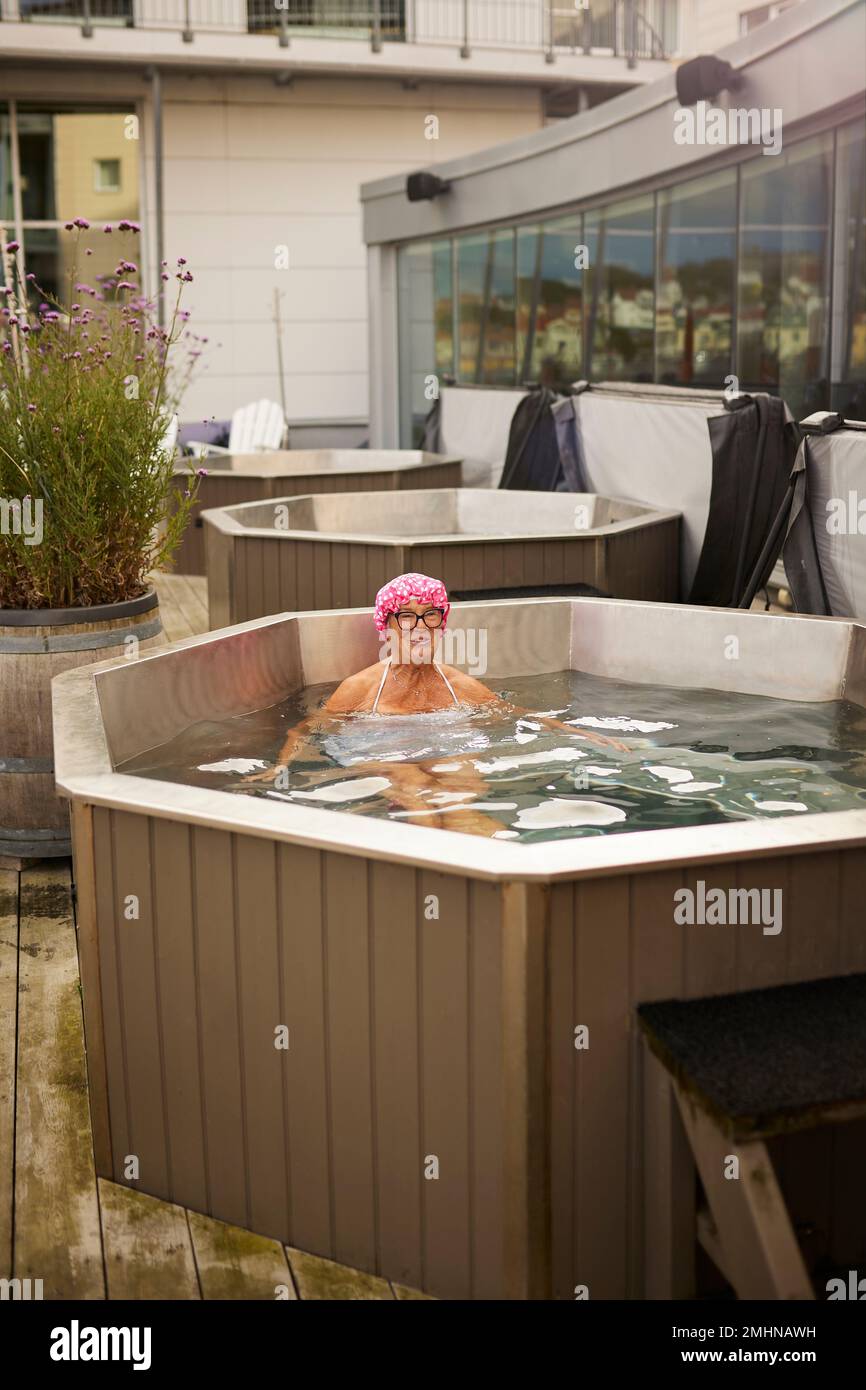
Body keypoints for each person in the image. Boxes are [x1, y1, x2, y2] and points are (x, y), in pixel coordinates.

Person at [246, 572, 625, 835]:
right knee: (419, 801)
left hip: (446, 742)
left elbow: (516, 716)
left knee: (461, 799)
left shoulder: (460, 686)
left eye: (429, 615)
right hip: (380, 745)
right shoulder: (360, 688)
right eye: (406, 616)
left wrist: (580, 733)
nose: (419, 627)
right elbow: (310, 726)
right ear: (387, 625)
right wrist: (280, 766)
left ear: (441, 623)